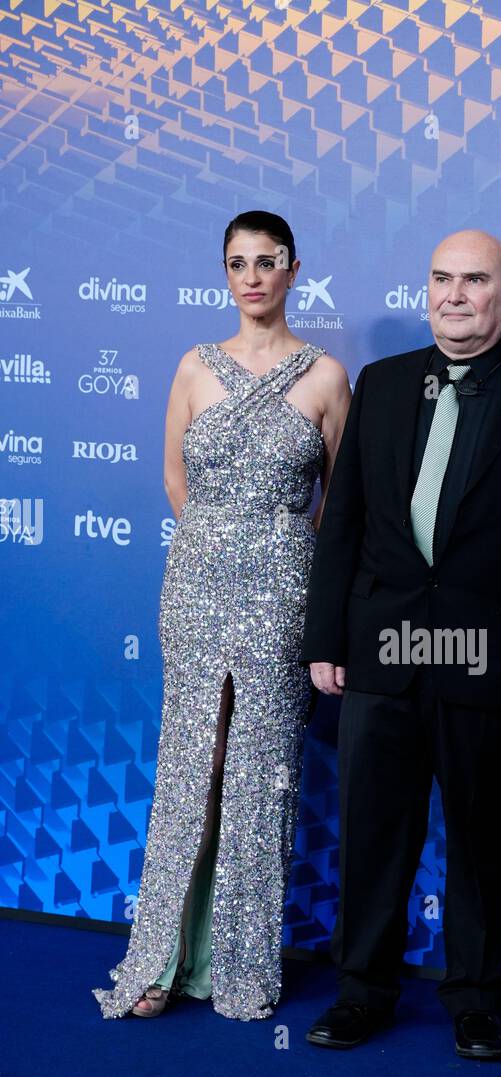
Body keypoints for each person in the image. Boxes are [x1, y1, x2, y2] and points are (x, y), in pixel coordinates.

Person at [299, 229, 501, 1058]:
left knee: (478, 835)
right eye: (441, 279)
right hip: (382, 648)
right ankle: (362, 991)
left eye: (475, 280)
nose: (454, 295)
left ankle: (475, 998)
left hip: (487, 656)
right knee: (372, 833)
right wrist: (327, 636)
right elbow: (344, 522)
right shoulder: (383, 383)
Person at [93, 211, 350, 1020]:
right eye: (237, 262)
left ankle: (240, 970)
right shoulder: (194, 366)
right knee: (191, 769)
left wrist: (278, 555)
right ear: (225, 272)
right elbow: (175, 477)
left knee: (262, 775)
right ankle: (164, 960)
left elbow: (337, 509)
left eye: (267, 262)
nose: (252, 277)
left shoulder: (326, 377)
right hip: (197, 584)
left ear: (293, 270)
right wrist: (217, 541)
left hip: (282, 589)